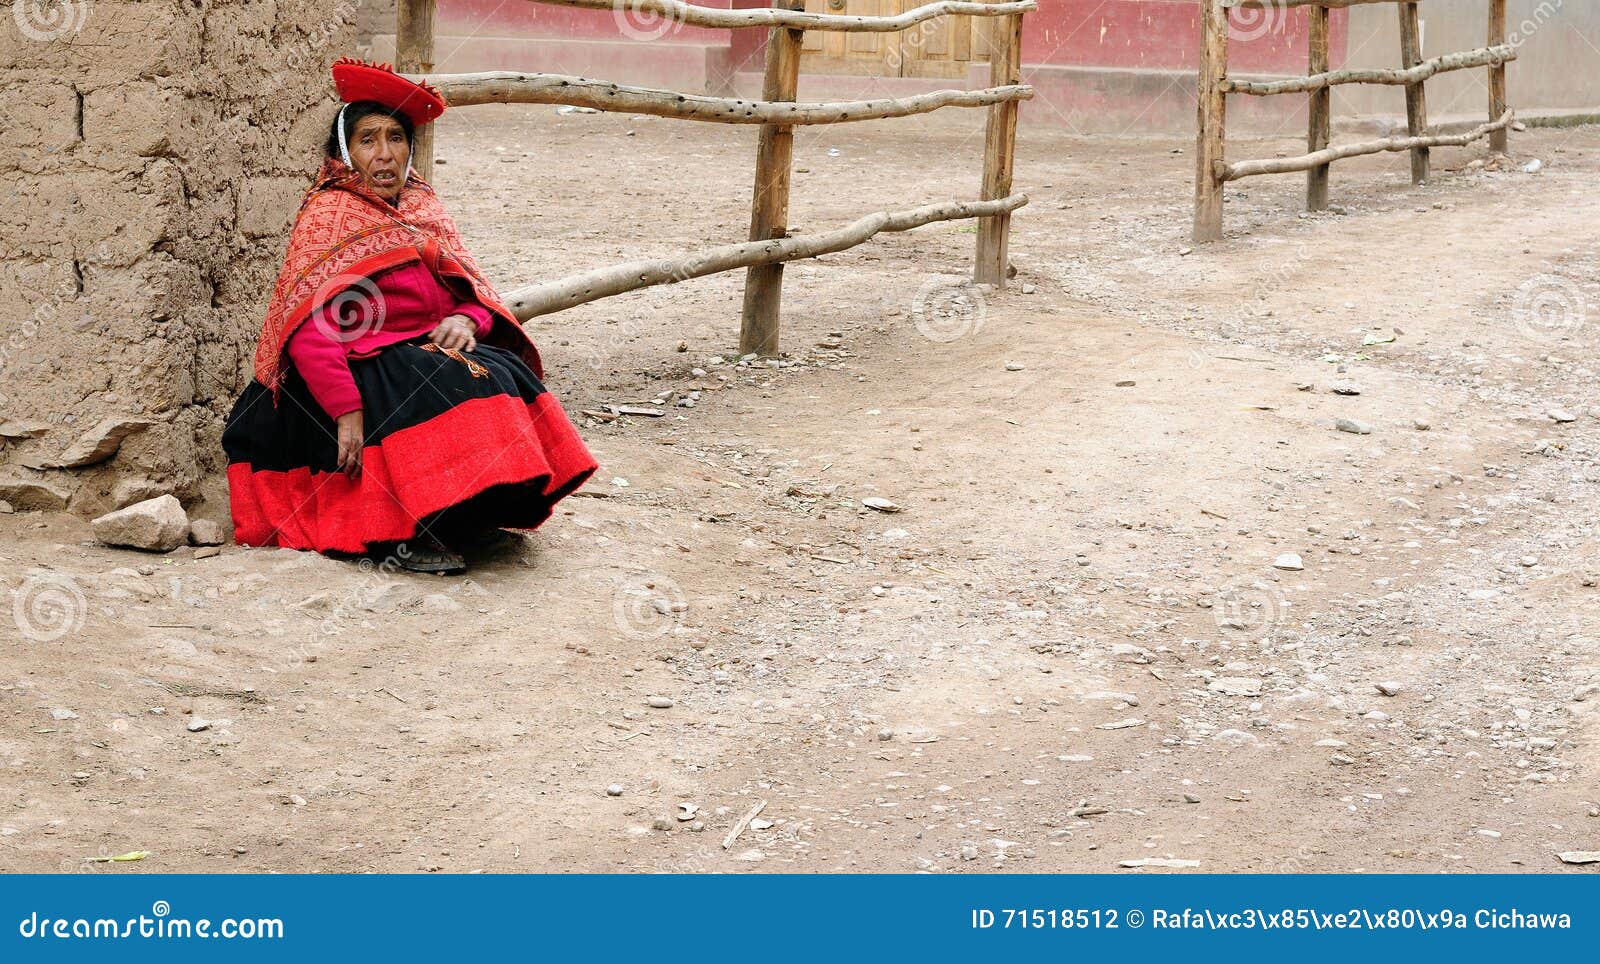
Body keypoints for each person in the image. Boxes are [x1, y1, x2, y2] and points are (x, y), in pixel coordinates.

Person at [222, 58, 597, 574]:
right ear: (344, 154)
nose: (384, 154)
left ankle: (462, 512)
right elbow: (307, 330)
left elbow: (474, 294)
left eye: (396, 138)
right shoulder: (330, 215)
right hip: (337, 377)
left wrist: (467, 322)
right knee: (433, 388)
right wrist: (344, 409)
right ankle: (398, 534)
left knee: (494, 372)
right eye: (367, 140)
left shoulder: (423, 208)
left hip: (412, 353)